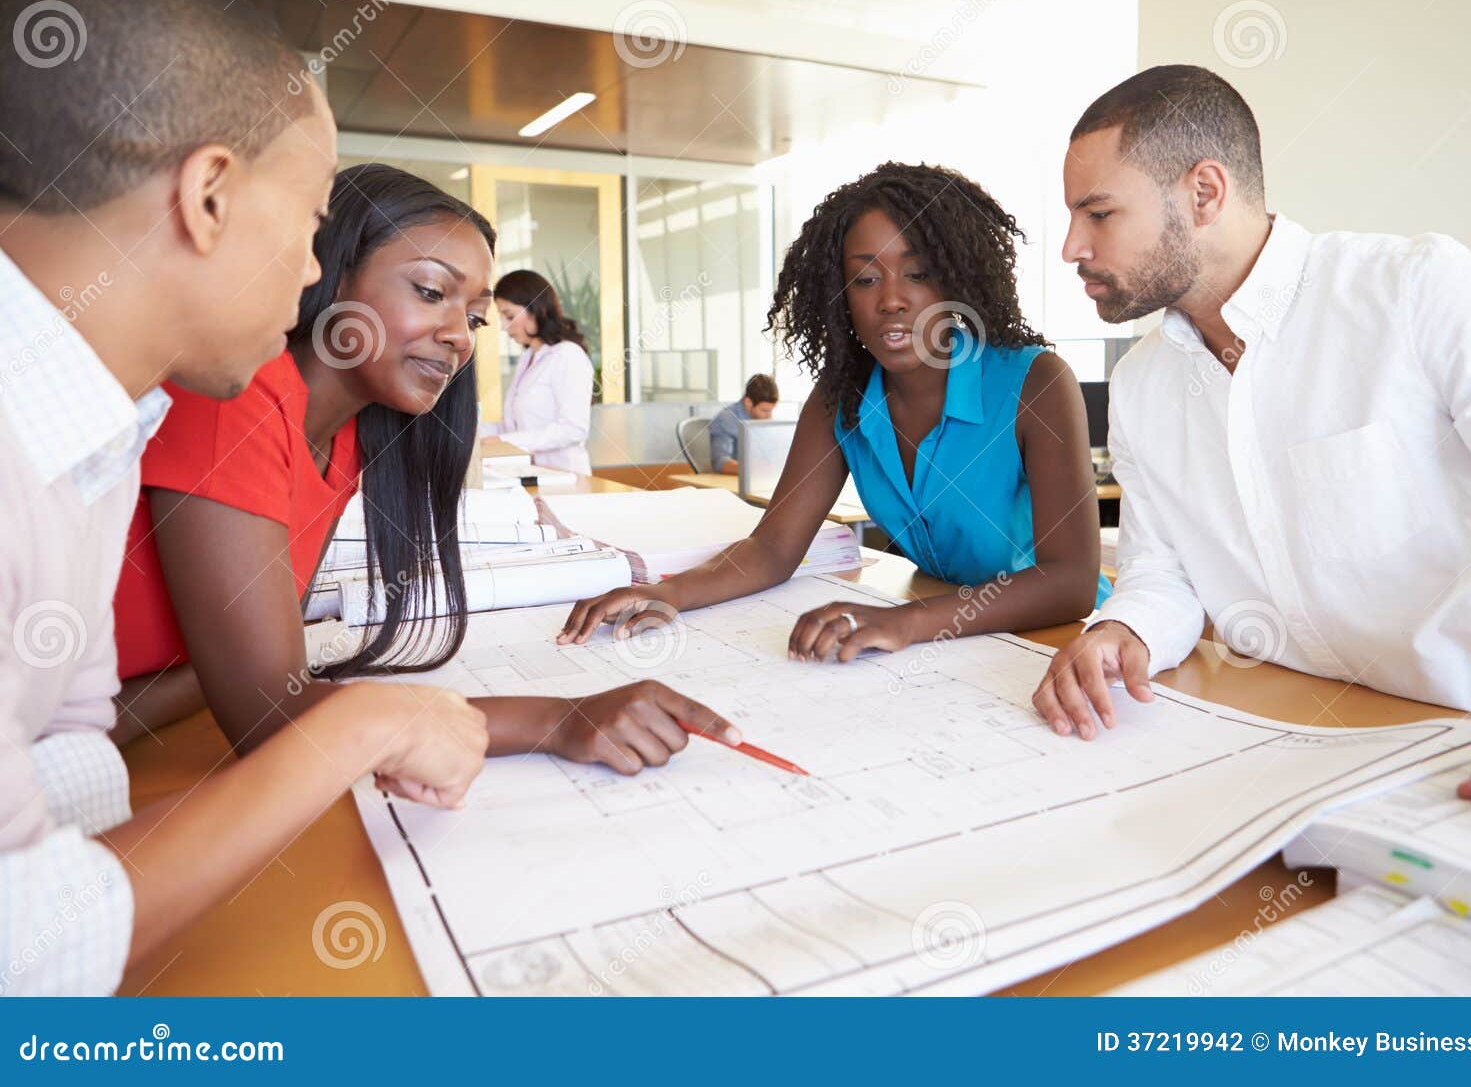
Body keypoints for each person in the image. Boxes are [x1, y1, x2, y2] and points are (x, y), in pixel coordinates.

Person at [0, 0, 488, 996]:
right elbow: (18, 945)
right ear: (210, 195)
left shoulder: (93, 429)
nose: (314, 270)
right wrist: (364, 722)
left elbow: (72, 750)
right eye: (312, 223)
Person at [1031, 65, 1471, 870]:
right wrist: (1122, 627)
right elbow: (1164, 574)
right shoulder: (1144, 383)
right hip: (1278, 760)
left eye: (1097, 213)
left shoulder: (1415, 292)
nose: (1071, 247)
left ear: (1203, 192)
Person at [112, 163, 740, 778]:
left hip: (136, 740)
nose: (461, 339)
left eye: (473, 318)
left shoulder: (351, 435)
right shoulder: (237, 400)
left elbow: (245, 685)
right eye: (431, 292)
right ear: (331, 273)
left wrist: (244, 677)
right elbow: (271, 720)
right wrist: (559, 720)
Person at [561, 162, 1112, 661]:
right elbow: (773, 548)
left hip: (1057, 638)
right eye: (865, 279)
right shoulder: (841, 398)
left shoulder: (1034, 381)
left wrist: (906, 623)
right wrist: (667, 593)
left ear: (957, 279)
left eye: (917, 273)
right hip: (945, 637)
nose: (891, 299)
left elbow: (1071, 582)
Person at [481, 268, 594, 474]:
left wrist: (503, 440)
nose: (505, 327)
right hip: (532, 476)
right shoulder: (527, 358)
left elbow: (573, 429)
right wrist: (471, 432)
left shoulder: (567, 355)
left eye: (510, 316)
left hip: (566, 479)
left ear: (538, 309)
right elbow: (514, 429)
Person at [707, 373, 780, 474]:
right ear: (748, 402)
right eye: (764, 410)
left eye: (771, 410)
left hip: (759, 480)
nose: (769, 416)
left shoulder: (759, 420)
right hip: (733, 481)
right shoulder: (725, 420)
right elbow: (719, 462)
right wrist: (753, 469)